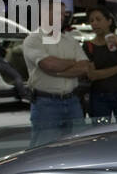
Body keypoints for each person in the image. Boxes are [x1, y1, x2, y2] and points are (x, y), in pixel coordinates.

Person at [22, 20, 91, 148]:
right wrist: (72, 62)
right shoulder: (33, 40)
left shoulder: (70, 40)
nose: (61, 17)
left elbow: (84, 68)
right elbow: (49, 64)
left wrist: (58, 72)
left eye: (63, 13)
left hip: (73, 102)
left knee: (79, 146)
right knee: (43, 149)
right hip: (46, 103)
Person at [82, 8, 117, 123]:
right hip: (99, 96)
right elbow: (92, 75)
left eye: (98, 19)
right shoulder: (88, 46)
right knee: (100, 132)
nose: (94, 23)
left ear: (109, 21)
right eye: (91, 21)